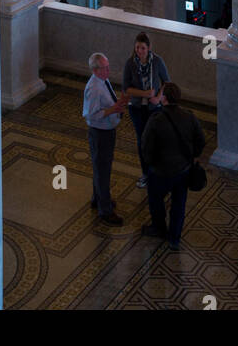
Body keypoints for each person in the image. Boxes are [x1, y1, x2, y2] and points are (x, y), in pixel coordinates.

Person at [140, 81, 206, 251]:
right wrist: (192, 155)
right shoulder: (189, 116)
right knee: (179, 204)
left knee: (156, 201)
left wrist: (150, 163)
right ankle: (174, 237)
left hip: (160, 171)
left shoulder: (156, 119)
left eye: (161, 93)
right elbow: (201, 140)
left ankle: (159, 228)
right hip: (182, 170)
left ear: (165, 98)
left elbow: (146, 146)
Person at [82, 53, 127, 225]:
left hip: (107, 130)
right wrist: (114, 109)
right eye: (105, 68)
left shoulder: (103, 81)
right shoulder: (94, 88)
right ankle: (105, 210)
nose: (109, 70)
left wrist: (119, 104)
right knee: (103, 171)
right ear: (95, 70)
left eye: (108, 66)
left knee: (101, 167)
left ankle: (98, 198)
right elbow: (92, 115)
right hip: (100, 133)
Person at [122, 32, 170, 188]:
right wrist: (144, 94)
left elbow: (166, 82)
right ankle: (146, 173)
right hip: (137, 108)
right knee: (142, 141)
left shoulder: (157, 61)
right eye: (137, 48)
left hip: (154, 108)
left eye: (142, 48)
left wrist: (157, 97)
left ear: (149, 48)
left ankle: (158, 173)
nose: (139, 51)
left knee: (156, 140)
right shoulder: (130, 64)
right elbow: (126, 89)